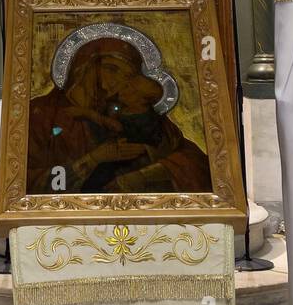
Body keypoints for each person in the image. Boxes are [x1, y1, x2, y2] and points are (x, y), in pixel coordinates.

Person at [26, 36, 211, 194]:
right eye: (112, 69)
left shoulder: (130, 110)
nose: (117, 82)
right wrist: (93, 159)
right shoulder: (42, 115)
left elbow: (195, 164)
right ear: (84, 66)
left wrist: (143, 175)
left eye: (127, 77)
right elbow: (26, 183)